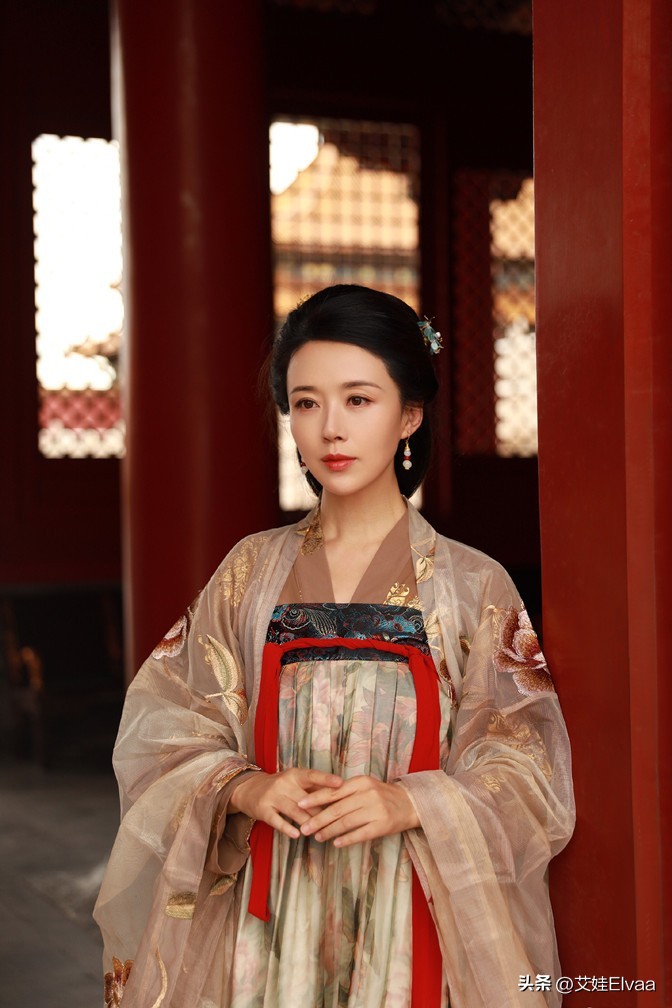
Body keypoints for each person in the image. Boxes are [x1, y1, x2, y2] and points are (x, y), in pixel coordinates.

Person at [95, 284, 574, 1008]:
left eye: (358, 399)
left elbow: (528, 763)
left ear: (409, 413)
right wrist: (245, 785)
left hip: (416, 914)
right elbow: (164, 723)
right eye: (307, 402)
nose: (330, 429)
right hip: (267, 920)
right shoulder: (248, 573)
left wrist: (413, 804)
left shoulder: (473, 584)